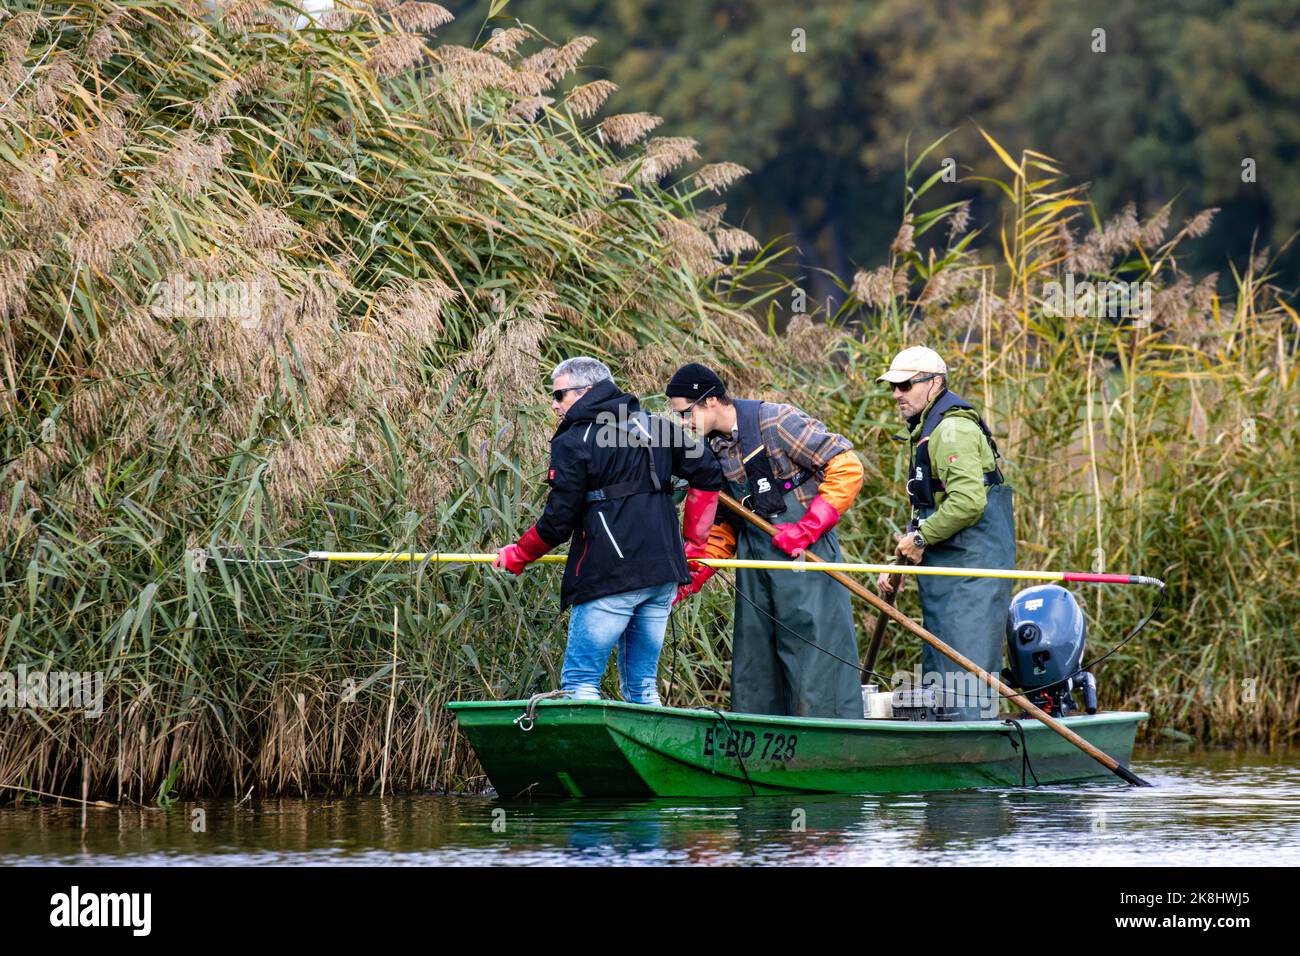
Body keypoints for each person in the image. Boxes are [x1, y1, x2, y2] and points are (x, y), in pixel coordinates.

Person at [493, 357, 723, 706]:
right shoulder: (659, 427)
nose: (553, 404)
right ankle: (649, 757)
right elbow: (708, 473)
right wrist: (693, 544)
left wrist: (518, 554)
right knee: (643, 690)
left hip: (609, 576)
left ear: (585, 392)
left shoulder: (573, 440)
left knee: (581, 686)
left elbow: (558, 521)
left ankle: (587, 761)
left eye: (558, 395)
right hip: (663, 575)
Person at [666, 363, 864, 719]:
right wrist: (691, 574)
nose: (683, 423)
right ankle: (760, 743)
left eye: (685, 413)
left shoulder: (776, 421)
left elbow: (846, 466)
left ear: (710, 401)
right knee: (756, 654)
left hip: (805, 552)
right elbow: (722, 529)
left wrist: (807, 528)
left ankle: (827, 739)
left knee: (813, 649)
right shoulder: (715, 451)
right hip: (755, 558)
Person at [874, 346, 1017, 719]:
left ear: (935, 383)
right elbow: (926, 504)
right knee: (941, 663)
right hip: (946, 568)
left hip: (973, 568)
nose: (897, 395)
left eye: (905, 385)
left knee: (965, 665)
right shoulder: (926, 429)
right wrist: (900, 563)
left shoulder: (952, 429)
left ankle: (970, 743)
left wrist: (921, 538)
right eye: (893, 387)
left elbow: (969, 502)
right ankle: (943, 740)